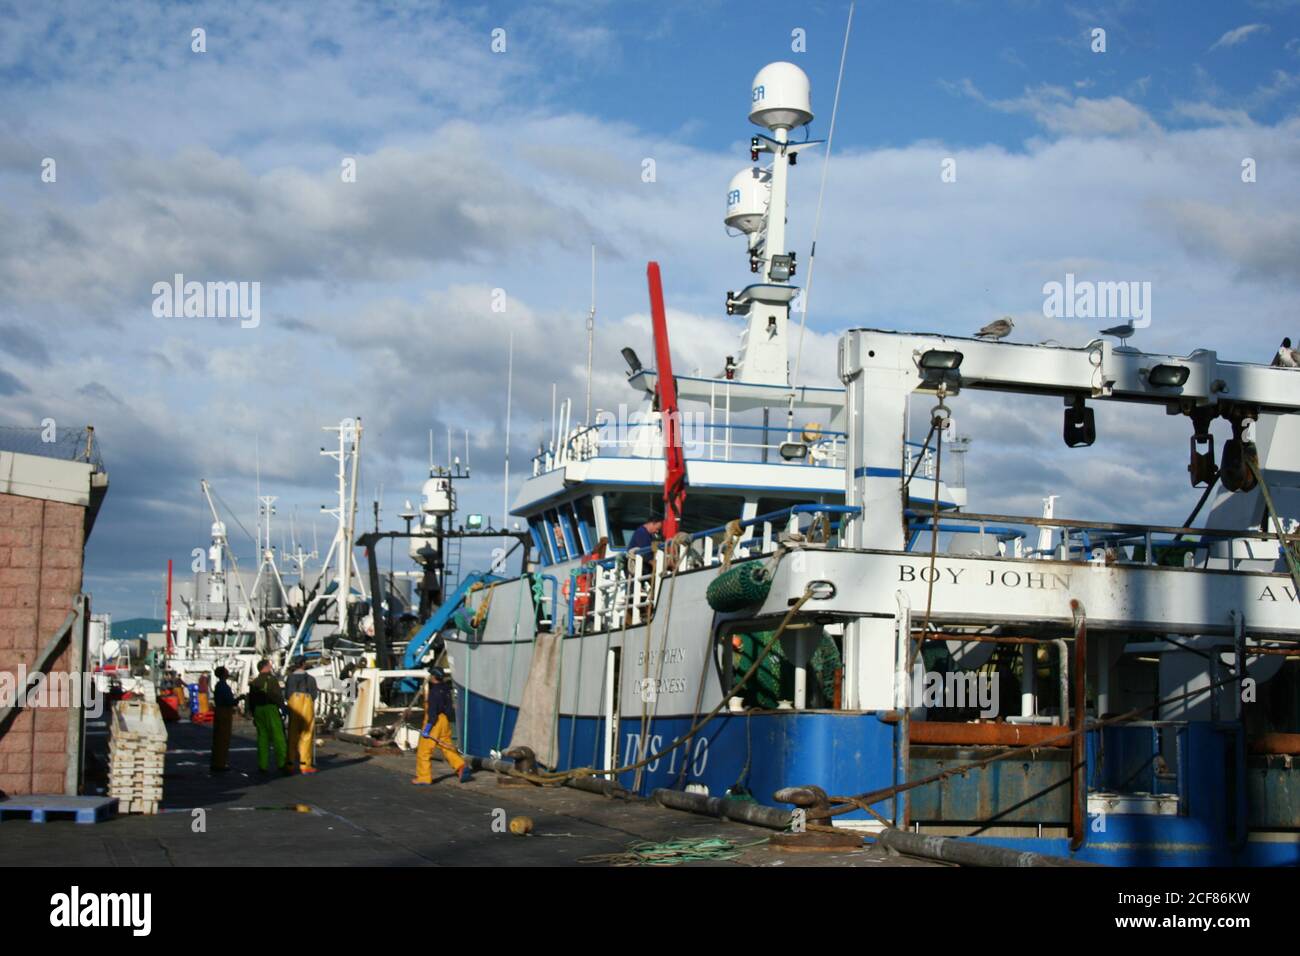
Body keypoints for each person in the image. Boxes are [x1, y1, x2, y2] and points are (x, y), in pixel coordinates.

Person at [411, 667, 470, 785]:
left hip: (434, 722)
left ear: (433, 677)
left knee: (424, 751)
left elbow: (432, 712)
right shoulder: (445, 688)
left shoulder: (433, 692)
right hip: (444, 721)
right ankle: (461, 766)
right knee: (447, 746)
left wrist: (428, 728)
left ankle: (423, 777)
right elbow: (448, 707)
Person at [248, 659, 287, 774]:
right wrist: (283, 708)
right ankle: (282, 763)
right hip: (270, 709)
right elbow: (277, 696)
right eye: (270, 666)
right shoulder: (271, 680)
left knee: (262, 738)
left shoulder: (254, 682)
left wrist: (253, 713)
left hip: (258, 711)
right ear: (265, 667)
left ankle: (263, 765)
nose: (271, 667)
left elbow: (251, 700)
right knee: (278, 737)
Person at [284, 657, 319, 775]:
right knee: (307, 735)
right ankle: (305, 765)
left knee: (292, 734)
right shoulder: (311, 679)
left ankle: (290, 764)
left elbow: (287, 694)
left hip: (294, 706)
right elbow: (314, 695)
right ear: (304, 664)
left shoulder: (289, 678)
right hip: (307, 705)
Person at [209, 666, 236, 772]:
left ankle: (217, 762)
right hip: (224, 712)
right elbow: (229, 700)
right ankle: (220, 763)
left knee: (218, 738)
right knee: (223, 738)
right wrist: (238, 699)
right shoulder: (223, 686)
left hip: (219, 711)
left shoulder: (218, 685)